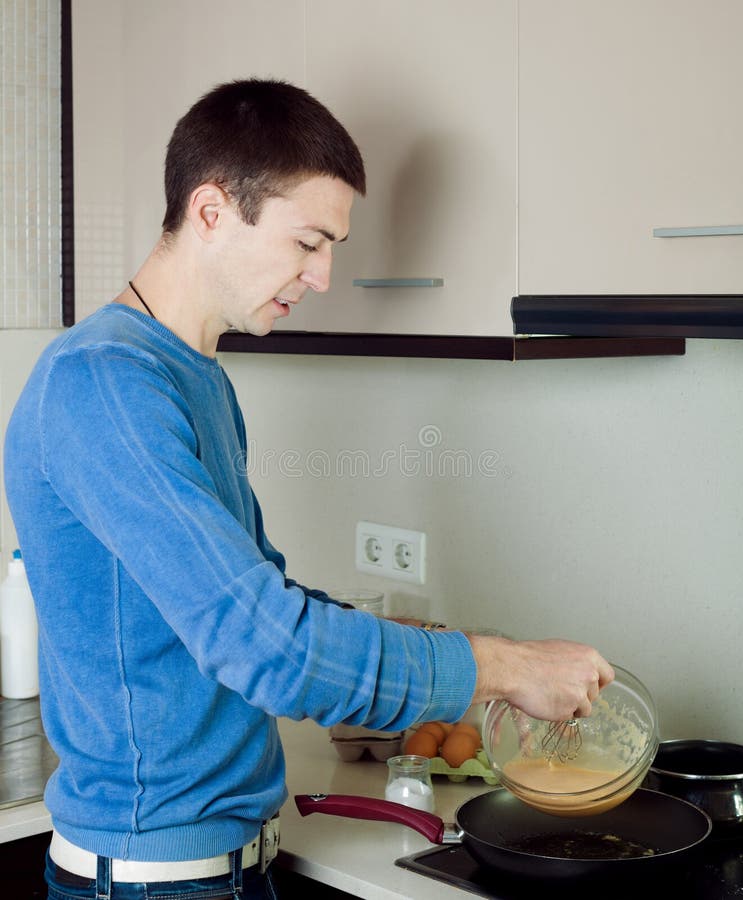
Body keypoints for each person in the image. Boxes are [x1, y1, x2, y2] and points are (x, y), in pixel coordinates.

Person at [3, 79, 614, 899]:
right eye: (307, 242)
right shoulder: (104, 383)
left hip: (224, 861)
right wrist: (502, 667)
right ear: (211, 210)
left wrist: (399, 657)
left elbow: (261, 598)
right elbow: (265, 645)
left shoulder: (193, 376)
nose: (322, 276)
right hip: (154, 879)